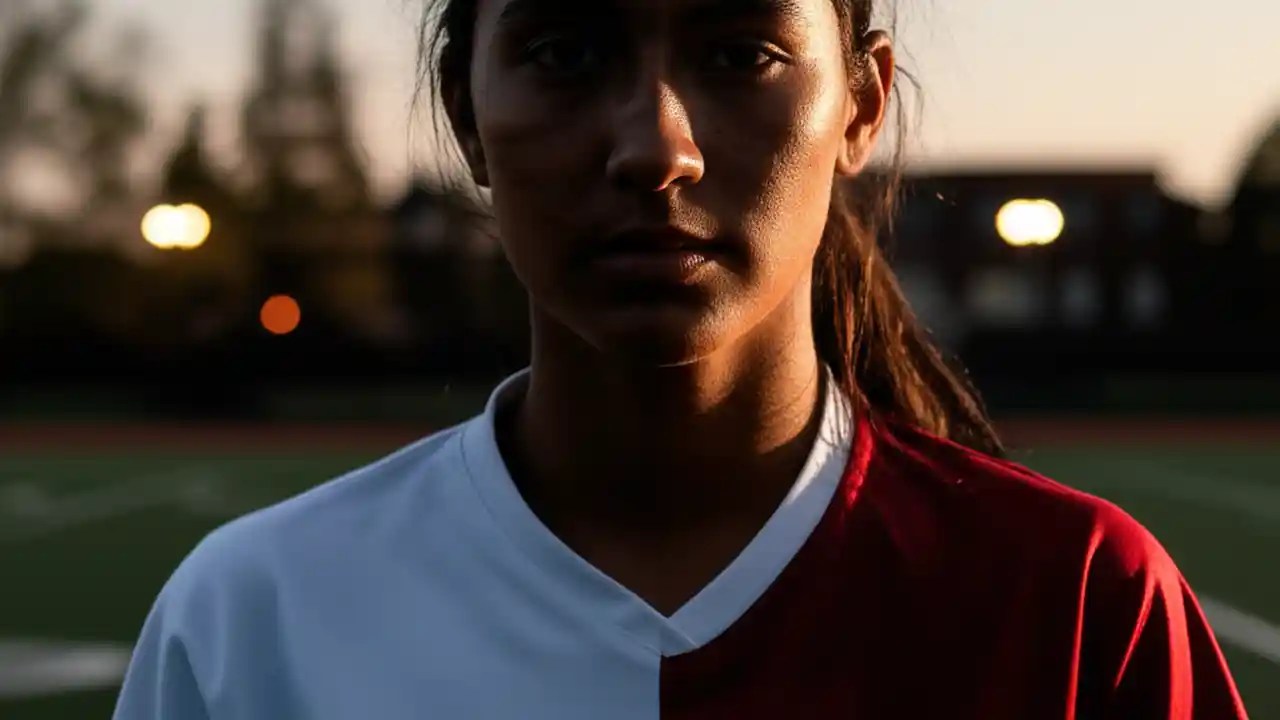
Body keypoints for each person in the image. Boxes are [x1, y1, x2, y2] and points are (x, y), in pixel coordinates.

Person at [114, 0, 1249, 717]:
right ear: (465, 112)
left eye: (739, 50)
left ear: (859, 103)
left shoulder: (1076, 605)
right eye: (563, 49)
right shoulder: (252, 618)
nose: (655, 144)